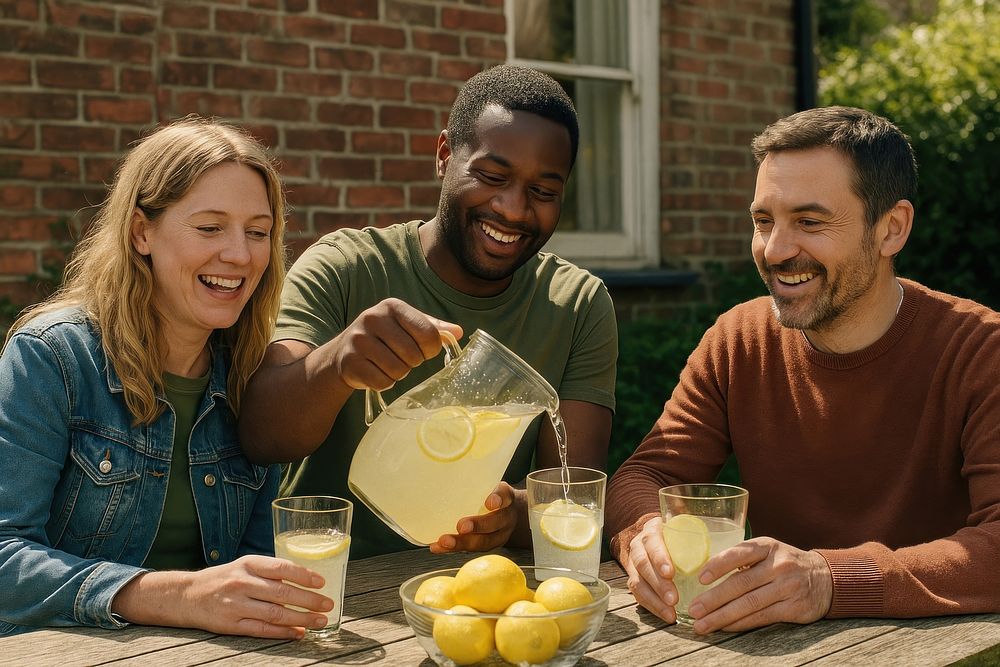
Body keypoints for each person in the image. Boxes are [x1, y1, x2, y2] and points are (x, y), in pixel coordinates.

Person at [606, 106, 1000, 634]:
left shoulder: (981, 351)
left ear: (892, 229)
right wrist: (646, 534)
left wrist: (830, 580)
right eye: (763, 221)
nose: (775, 250)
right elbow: (644, 477)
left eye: (810, 222)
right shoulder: (737, 339)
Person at [238, 64, 618, 559]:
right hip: (329, 585)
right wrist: (336, 366)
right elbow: (261, 435)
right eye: (491, 176)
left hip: (477, 598)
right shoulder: (346, 267)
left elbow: (569, 500)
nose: (513, 209)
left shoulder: (577, 304)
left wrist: (509, 518)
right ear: (444, 156)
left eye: (543, 192)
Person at [0, 118, 334, 639]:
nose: (240, 255)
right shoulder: (52, 358)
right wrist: (176, 597)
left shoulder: (253, 375)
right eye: (209, 227)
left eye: (258, 232)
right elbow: (5, 559)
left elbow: (257, 560)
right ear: (141, 232)